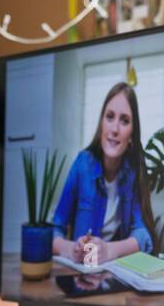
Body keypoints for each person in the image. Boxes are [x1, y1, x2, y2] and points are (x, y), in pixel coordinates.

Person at [51, 82, 158, 268]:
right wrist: (71, 249)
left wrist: (108, 250)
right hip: (81, 274)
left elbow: (143, 234)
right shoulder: (82, 164)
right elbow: (54, 230)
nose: (115, 129)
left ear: (132, 134)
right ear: (101, 124)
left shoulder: (134, 171)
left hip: (115, 275)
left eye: (124, 121)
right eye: (109, 117)